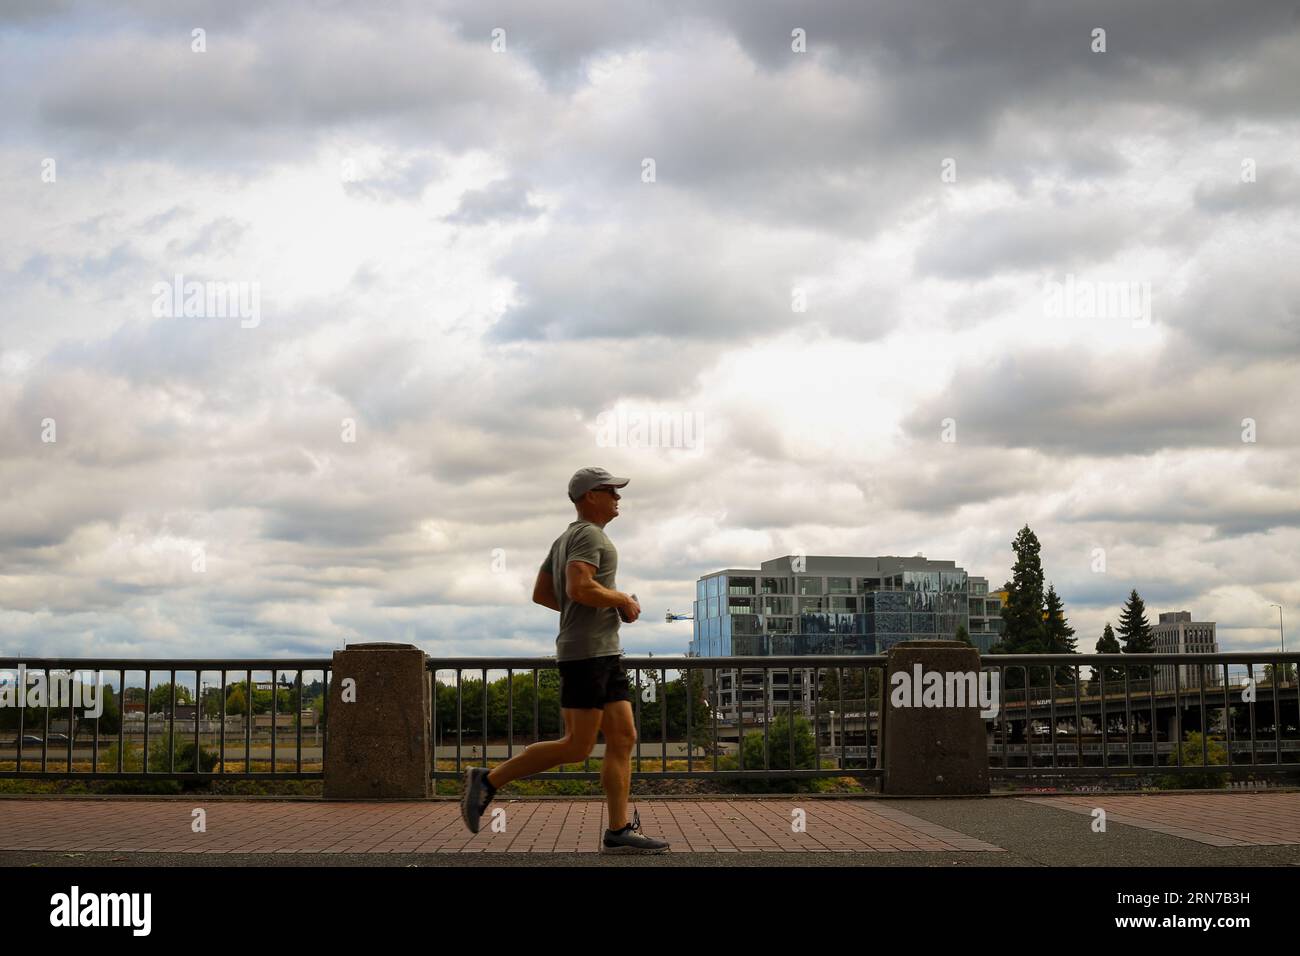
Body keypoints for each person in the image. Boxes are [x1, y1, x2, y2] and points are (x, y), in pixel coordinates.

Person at [459, 467, 669, 854]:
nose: (618, 498)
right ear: (590, 496)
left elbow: (543, 593)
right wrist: (620, 600)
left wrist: (593, 610)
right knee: (576, 746)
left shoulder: (563, 540)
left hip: (601, 651)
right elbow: (578, 586)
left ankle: (619, 831)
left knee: (624, 737)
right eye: (611, 491)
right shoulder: (588, 534)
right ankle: (487, 780)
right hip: (585, 655)